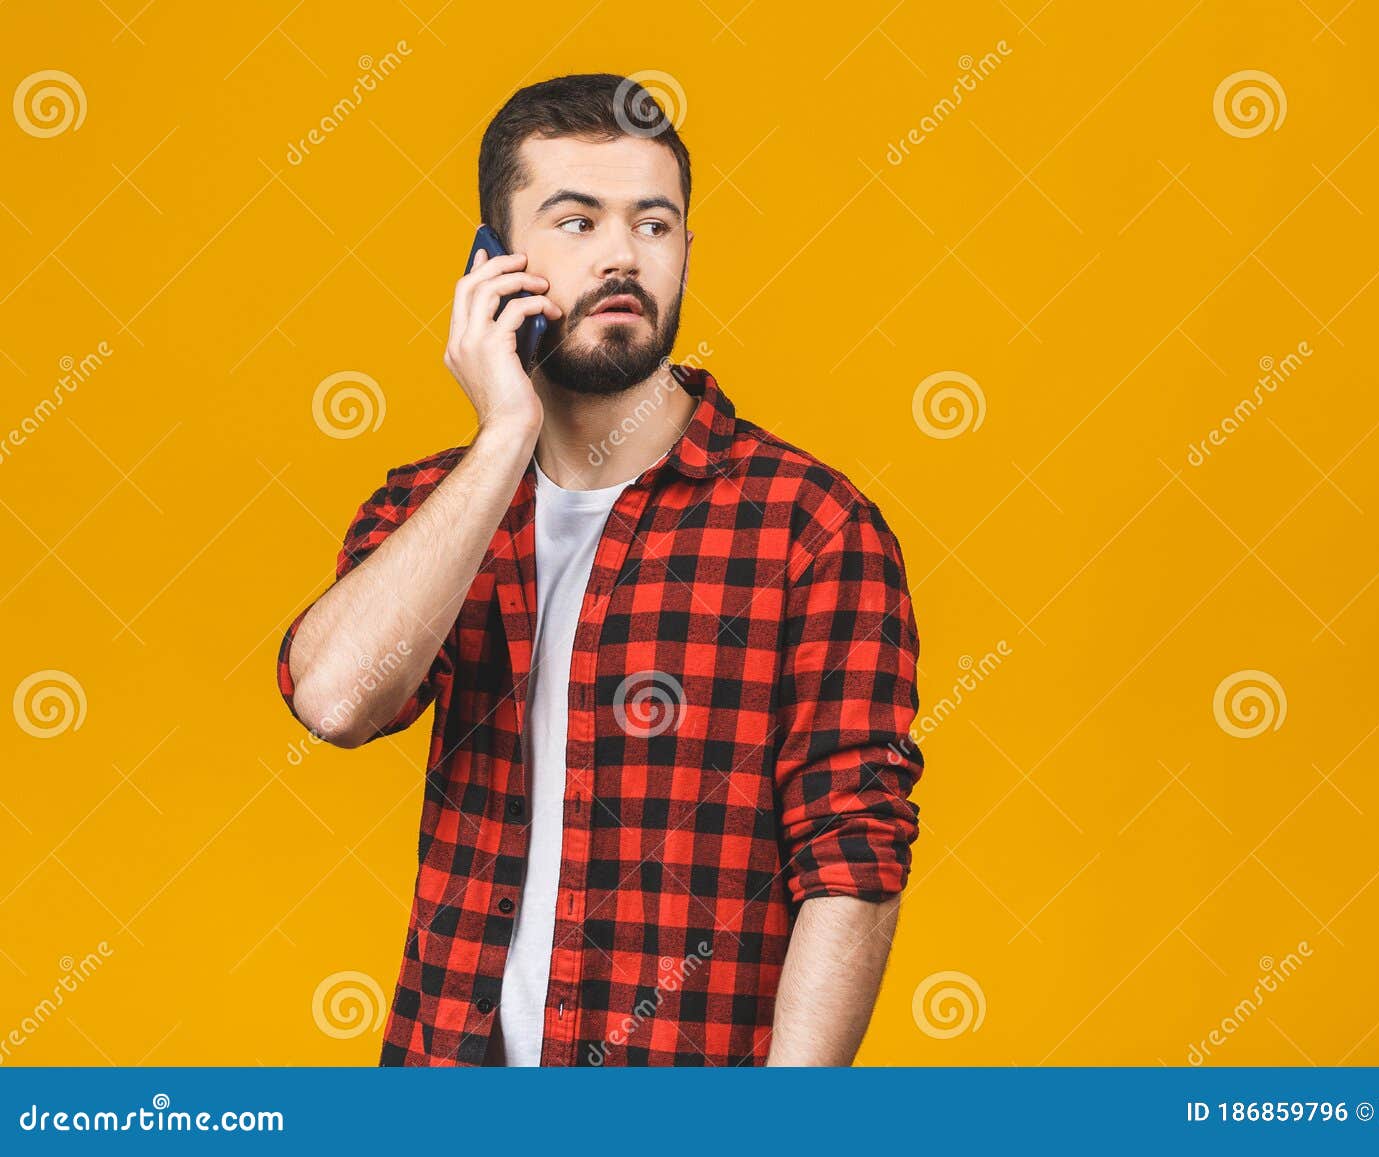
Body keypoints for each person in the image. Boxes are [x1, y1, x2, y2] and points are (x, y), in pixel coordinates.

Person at [276, 72, 924, 1066]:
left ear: (685, 252)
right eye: (575, 222)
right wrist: (502, 442)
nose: (622, 255)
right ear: (493, 262)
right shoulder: (429, 509)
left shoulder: (812, 527)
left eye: (653, 225)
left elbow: (852, 856)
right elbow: (333, 700)